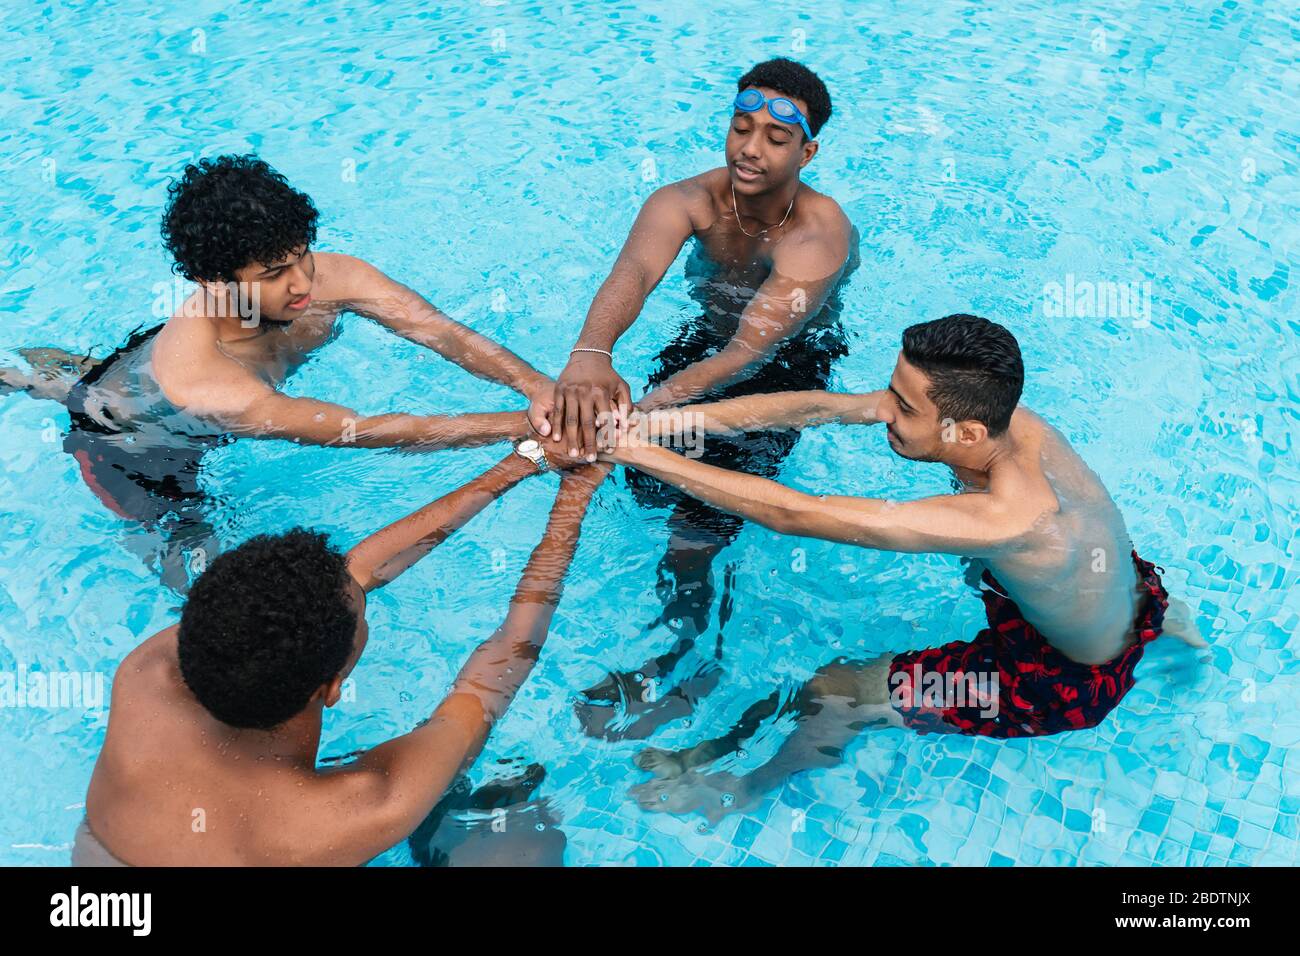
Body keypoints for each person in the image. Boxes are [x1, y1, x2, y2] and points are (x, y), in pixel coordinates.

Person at [595, 314, 1205, 822]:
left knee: (832, 692)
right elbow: (818, 407)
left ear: (964, 431)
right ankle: (1167, 626)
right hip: (1131, 590)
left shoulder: (1008, 519)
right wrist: (658, 424)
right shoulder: (1010, 418)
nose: (884, 411)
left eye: (903, 408)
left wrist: (631, 453)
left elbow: (796, 514)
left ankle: (740, 789)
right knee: (1038, 576)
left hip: (1055, 679)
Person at [1, 155, 553, 589]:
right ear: (213, 281)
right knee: (201, 583)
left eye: (302, 255)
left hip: (151, 372)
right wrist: (524, 427)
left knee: (103, 380)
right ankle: (53, 383)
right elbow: (367, 431)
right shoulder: (212, 384)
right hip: (137, 453)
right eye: (274, 274)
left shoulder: (322, 279)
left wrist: (537, 388)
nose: (303, 285)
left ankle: (53, 376)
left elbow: (441, 331)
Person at [76, 439, 605, 865]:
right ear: (331, 688)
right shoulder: (360, 809)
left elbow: (353, 574)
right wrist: (576, 495)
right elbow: (499, 667)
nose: (360, 586)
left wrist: (524, 461)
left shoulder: (152, 672)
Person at [542, 59, 858, 739]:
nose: (750, 148)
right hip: (701, 349)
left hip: (781, 371)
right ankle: (688, 613)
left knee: (695, 532)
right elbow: (632, 271)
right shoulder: (685, 201)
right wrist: (589, 357)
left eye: (775, 140)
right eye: (740, 129)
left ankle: (685, 664)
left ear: (808, 152)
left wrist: (645, 409)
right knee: (647, 486)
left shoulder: (819, 233)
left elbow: (750, 351)